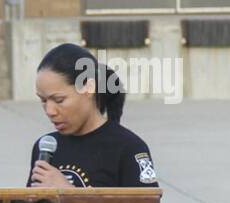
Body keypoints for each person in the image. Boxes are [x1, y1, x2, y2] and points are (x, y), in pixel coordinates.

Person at [28, 43, 160, 189]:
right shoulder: (45, 147)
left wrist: (70, 194)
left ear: (89, 88)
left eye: (59, 100)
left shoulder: (129, 148)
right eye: (43, 100)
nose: (50, 110)